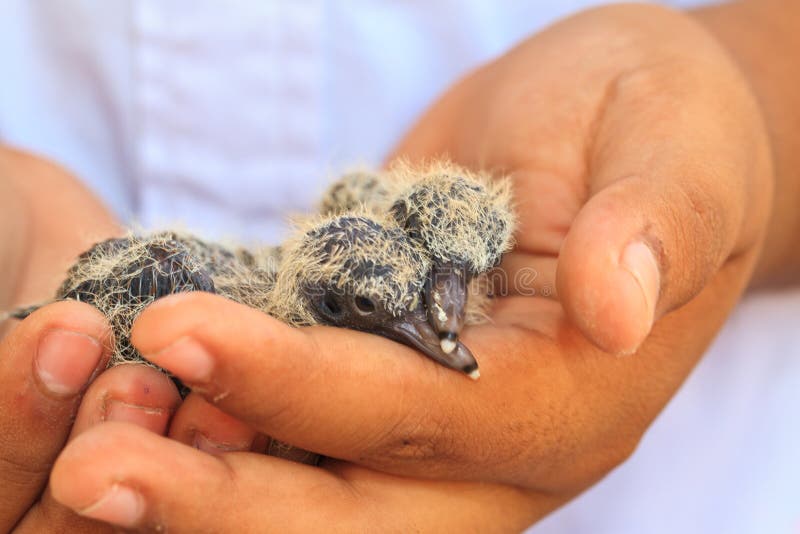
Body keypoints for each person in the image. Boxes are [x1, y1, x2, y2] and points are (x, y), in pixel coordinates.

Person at [0, 1, 798, 532]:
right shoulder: (189, 284)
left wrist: (752, 118)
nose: (441, 318)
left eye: (446, 285)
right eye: (411, 299)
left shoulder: (422, 220)